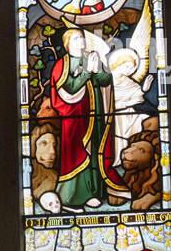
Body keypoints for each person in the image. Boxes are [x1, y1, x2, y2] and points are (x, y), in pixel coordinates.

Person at [48, 28, 128, 210]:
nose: (81, 41)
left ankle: (94, 191)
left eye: (81, 37)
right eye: (76, 38)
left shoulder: (90, 58)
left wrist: (99, 68)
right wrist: (86, 72)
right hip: (74, 117)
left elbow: (104, 80)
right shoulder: (62, 65)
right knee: (76, 153)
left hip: (94, 114)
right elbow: (68, 89)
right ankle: (72, 197)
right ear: (67, 44)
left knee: (95, 151)